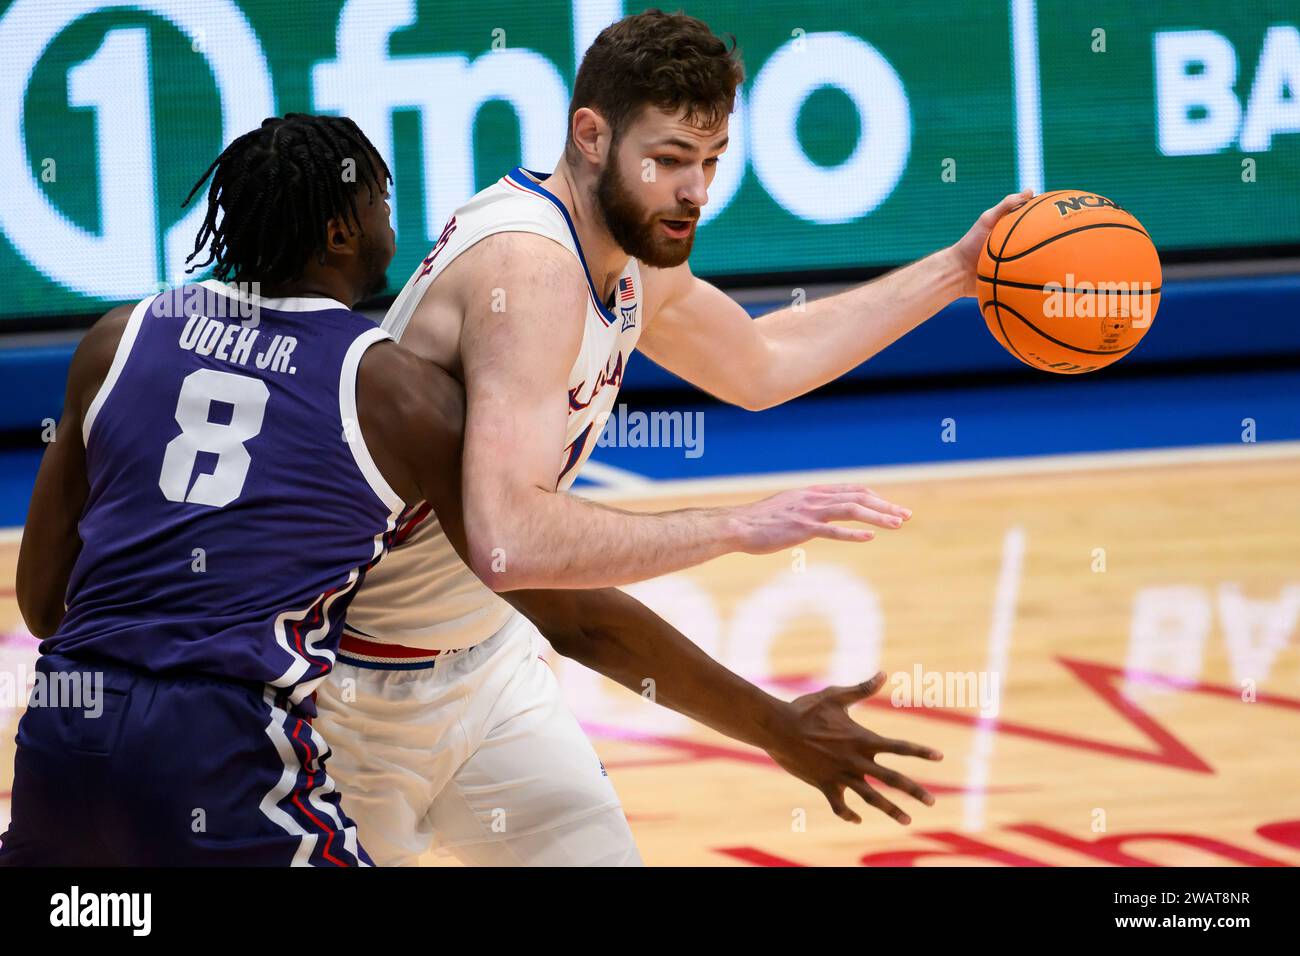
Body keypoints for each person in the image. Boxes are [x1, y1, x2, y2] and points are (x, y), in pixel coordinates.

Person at [0, 112, 939, 865]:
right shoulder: (389, 387)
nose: (392, 227)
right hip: (244, 745)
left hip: (63, 735)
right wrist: (772, 720)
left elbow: (43, 602)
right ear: (339, 229)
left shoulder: (115, 340)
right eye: (379, 203)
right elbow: (574, 614)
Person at [321, 9, 1022, 866]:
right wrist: (734, 526)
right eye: (669, 161)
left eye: (712, 161)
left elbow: (762, 361)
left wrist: (955, 272)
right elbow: (510, 543)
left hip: (489, 670)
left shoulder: (632, 253)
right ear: (590, 135)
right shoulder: (530, 270)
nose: (695, 191)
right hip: (354, 696)